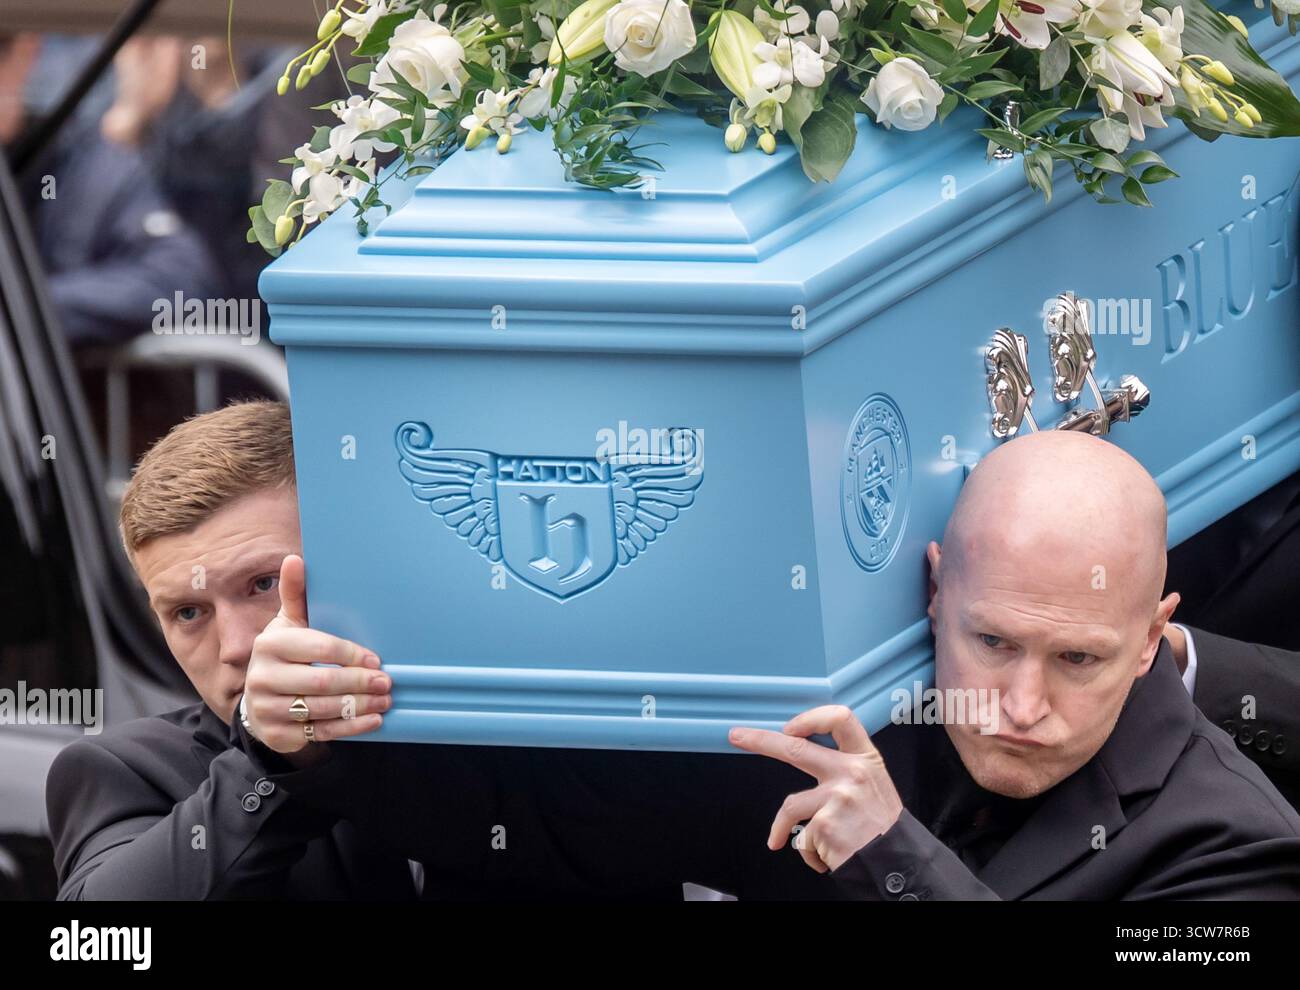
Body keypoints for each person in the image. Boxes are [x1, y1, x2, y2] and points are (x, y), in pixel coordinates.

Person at [730, 430, 1300, 899]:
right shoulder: (820, 738)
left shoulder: (1240, 849)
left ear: (1152, 637)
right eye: (994, 643)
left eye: (1077, 657)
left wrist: (895, 859)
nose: (1023, 708)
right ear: (935, 592)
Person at [45, 402, 417, 899]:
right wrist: (270, 758)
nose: (239, 647)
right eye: (188, 613)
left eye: (263, 583)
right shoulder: (127, 770)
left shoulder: (509, 724)